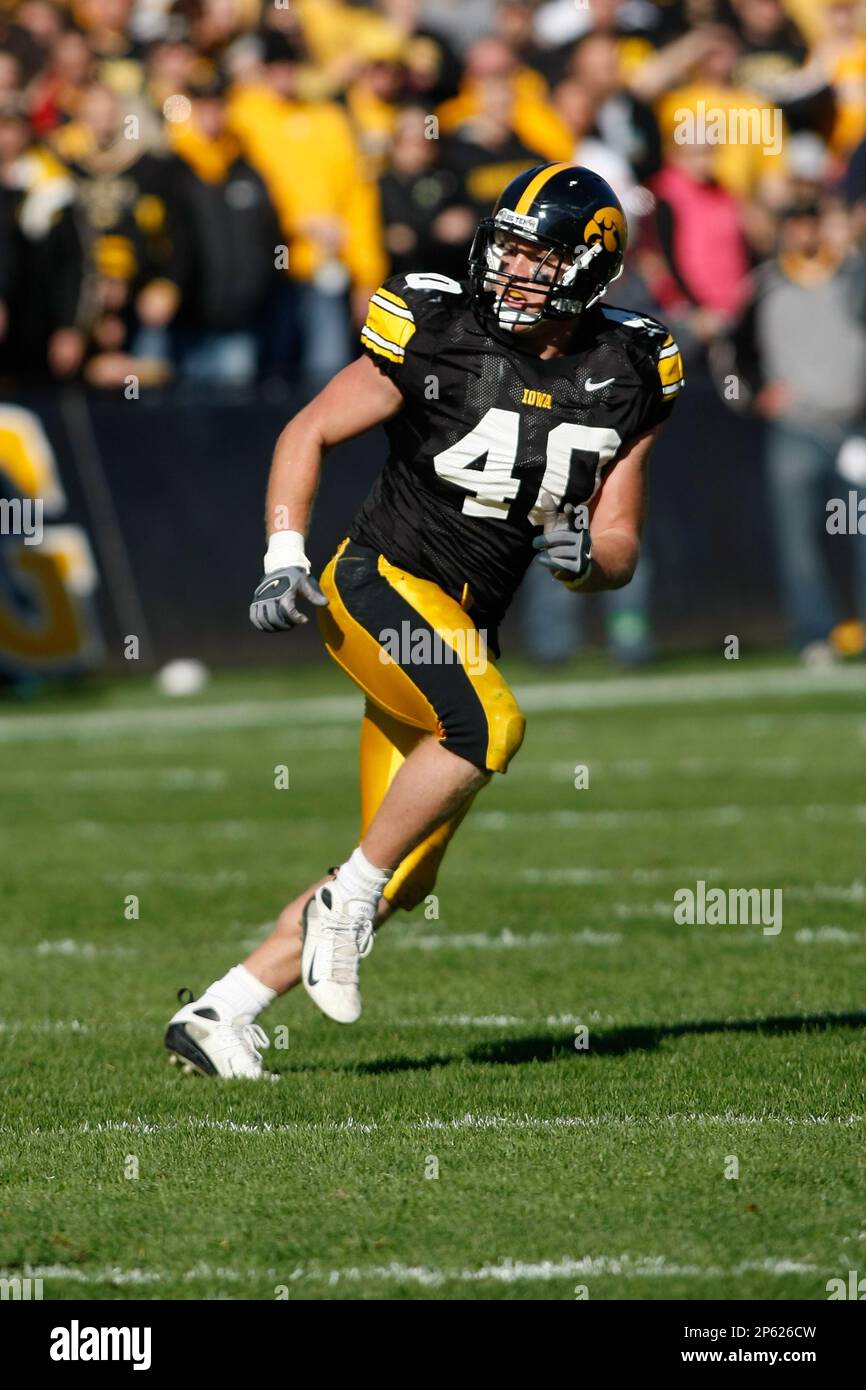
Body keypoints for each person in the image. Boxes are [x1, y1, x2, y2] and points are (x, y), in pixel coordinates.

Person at [164, 162, 685, 1078]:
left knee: (403, 868)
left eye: (538, 258)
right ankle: (344, 902)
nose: (512, 272)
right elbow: (308, 431)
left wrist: (587, 562)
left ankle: (222, 1010)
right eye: (508, 249)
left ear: (589, 271)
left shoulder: (633, 368)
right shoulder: (441, 328)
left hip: (462, 628)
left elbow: (619, 544)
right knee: (490, 727)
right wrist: (284, 557)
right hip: (379, 584)